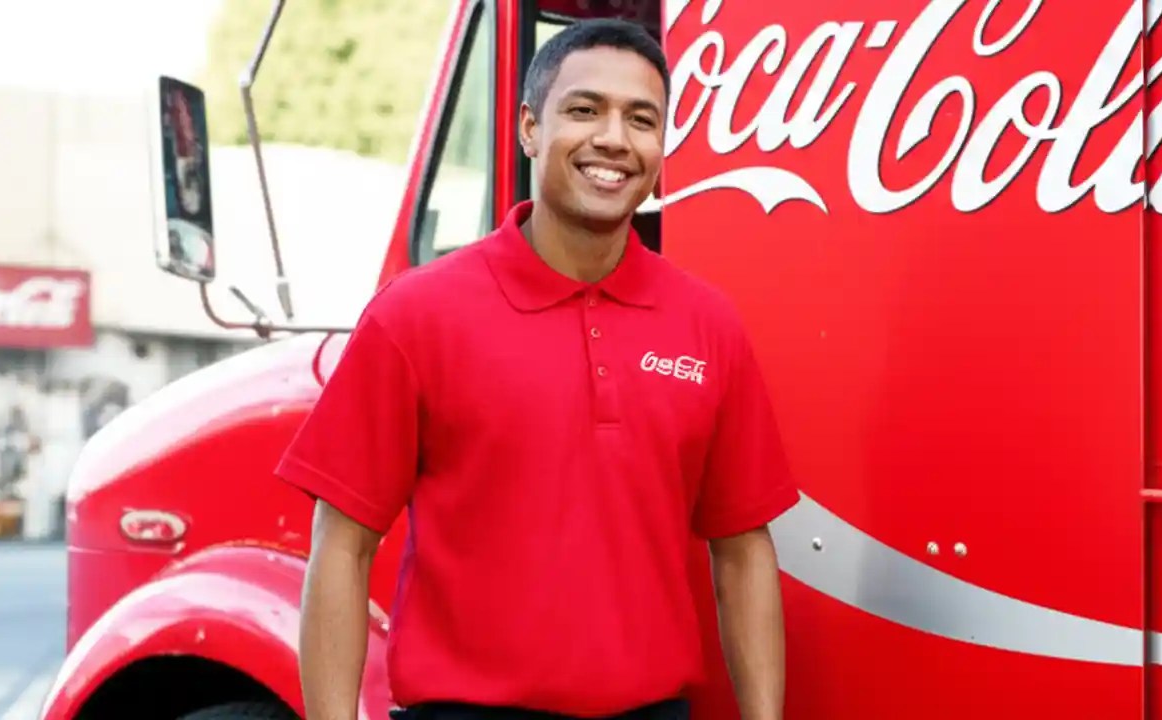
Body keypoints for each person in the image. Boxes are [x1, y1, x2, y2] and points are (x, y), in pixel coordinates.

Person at [275, 17, 800, 720]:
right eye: (584, 110)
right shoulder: (415, 315)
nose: (614, 139)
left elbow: (743, 553)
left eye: (641, 119)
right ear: (529, 128)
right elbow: (340, 550)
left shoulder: (708, 325)